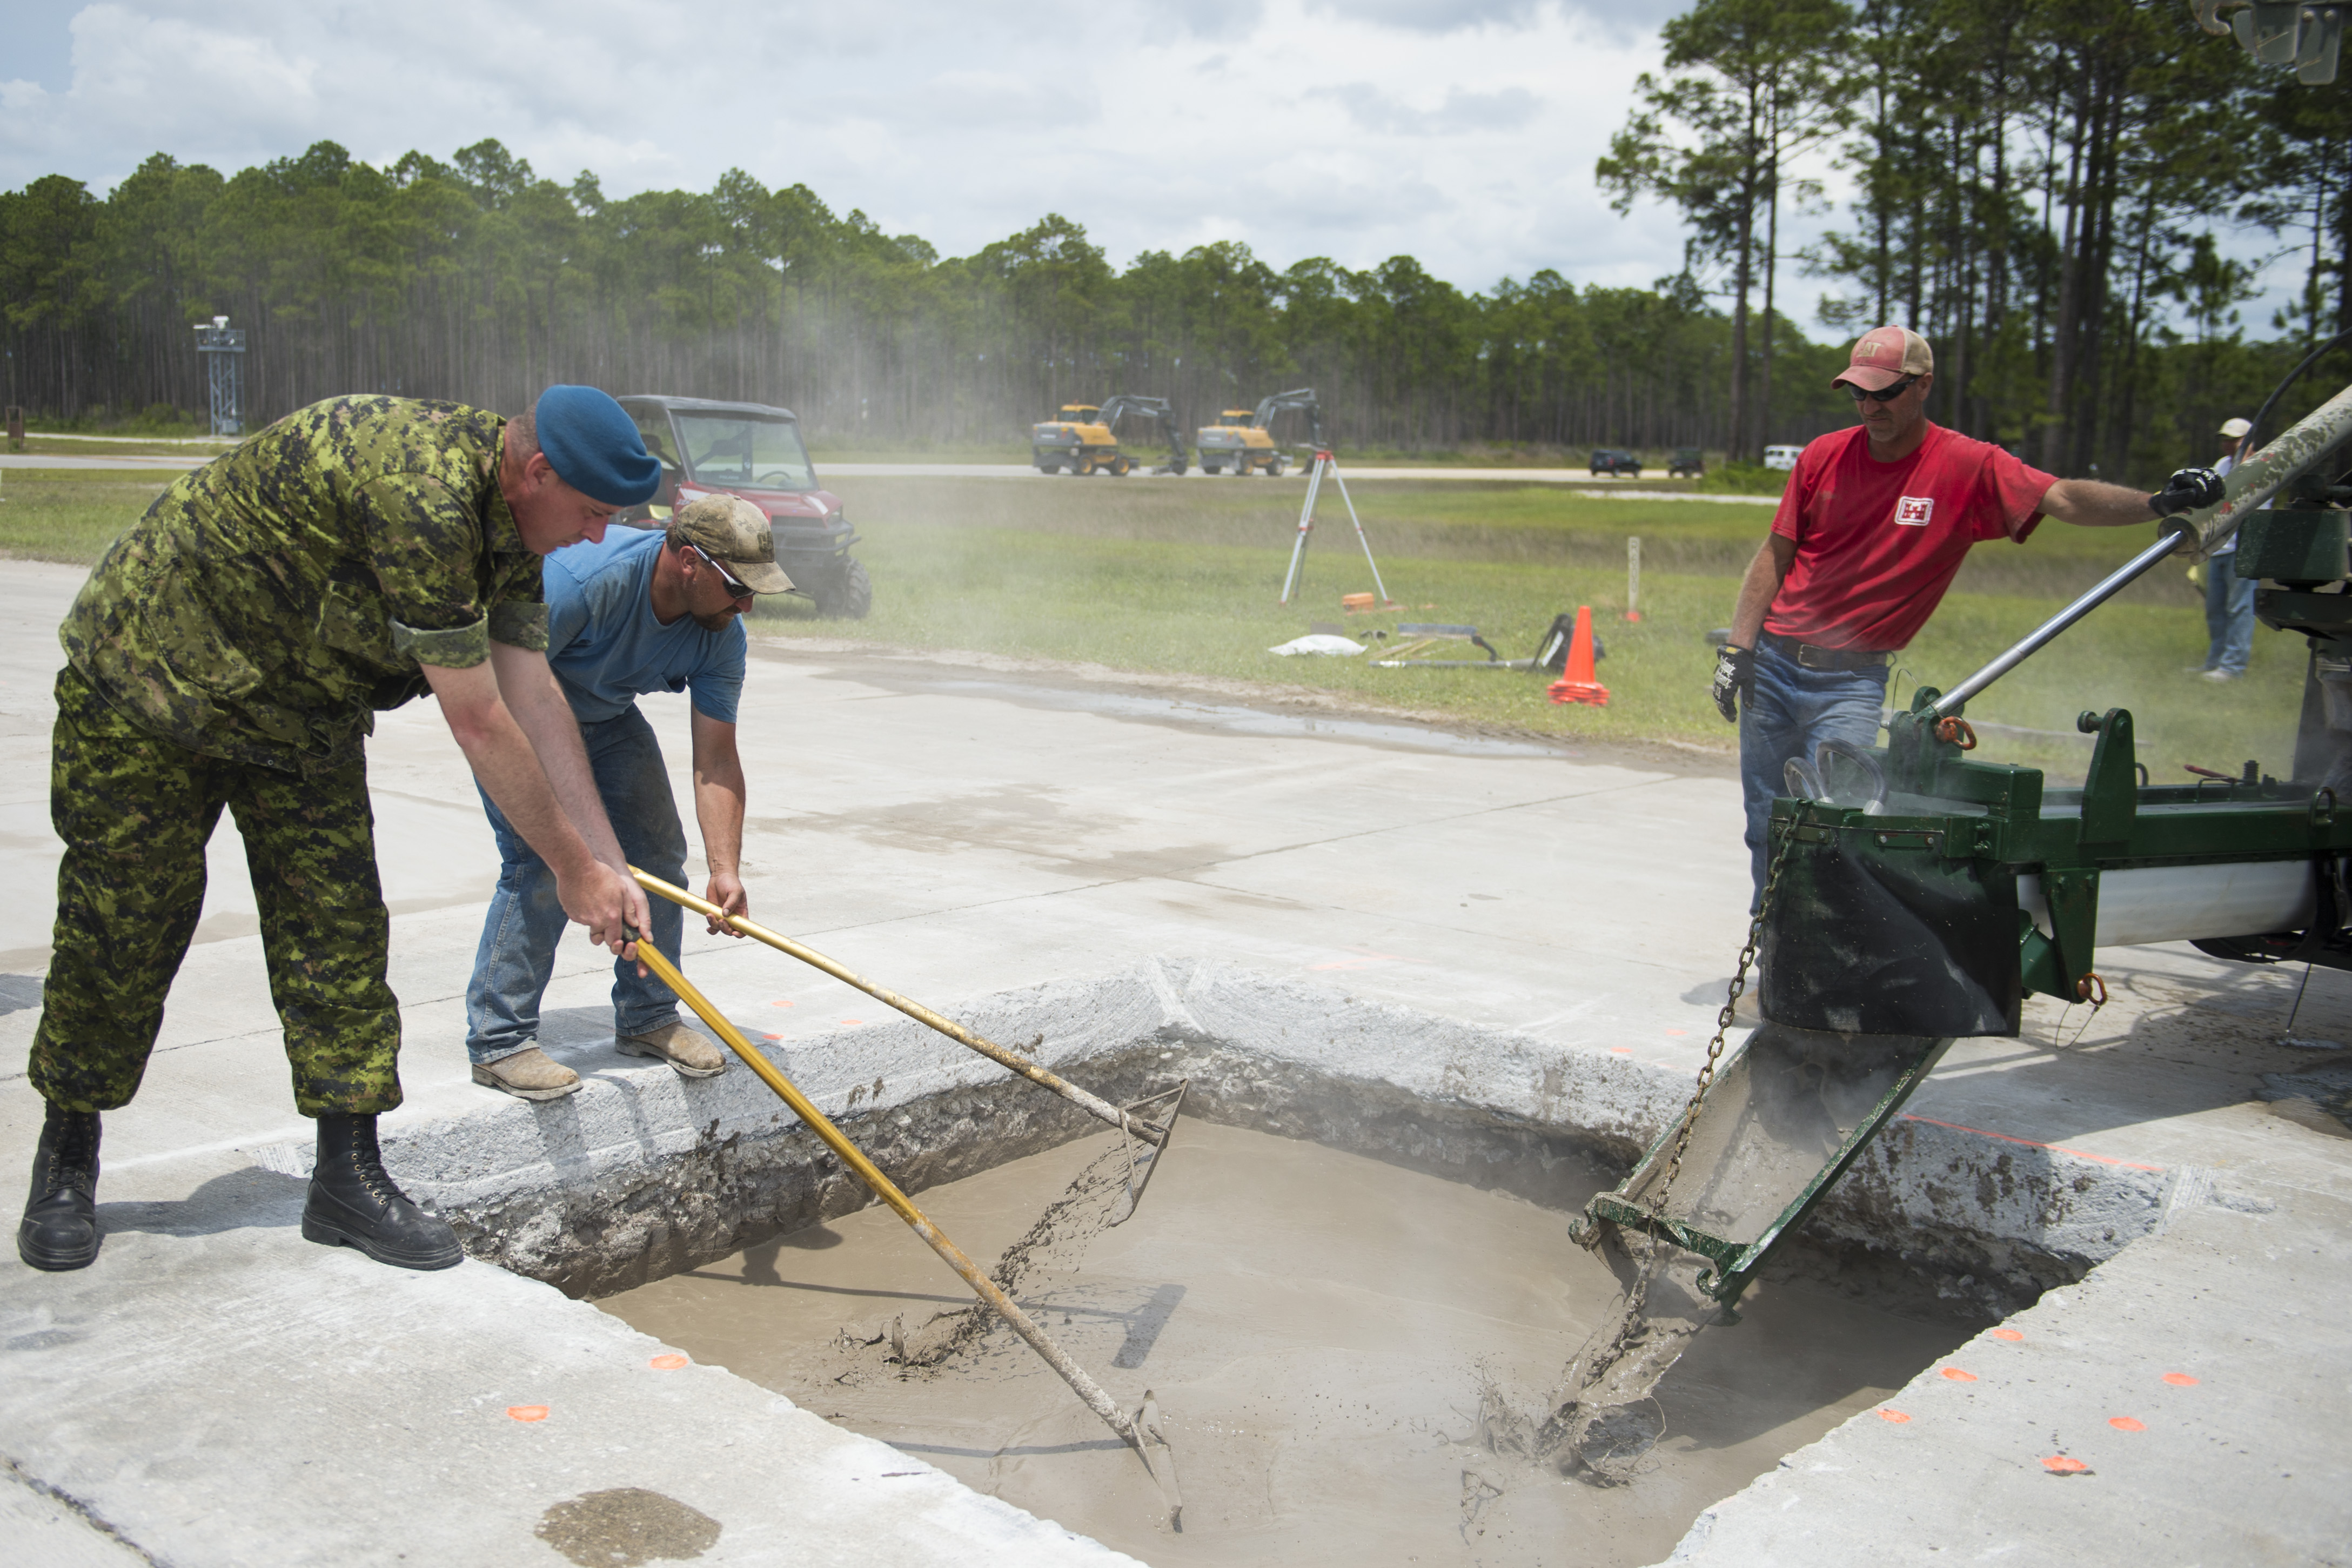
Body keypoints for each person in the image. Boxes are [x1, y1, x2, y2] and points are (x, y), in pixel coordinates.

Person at [18, 386, 663, 1275]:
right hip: (151, 689)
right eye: (592, 513)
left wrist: (603, 860)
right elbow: (477, 719)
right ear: (538, 470)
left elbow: (533, 690)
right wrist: (567, 869)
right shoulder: (421, 493)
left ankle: (345, 1177)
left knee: (339, 928)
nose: (599, 536)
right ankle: (66, 1154)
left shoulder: (516, 520)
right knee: (126, 923)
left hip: (298, 712)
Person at [1711, 325, 2226, 904]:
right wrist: (1738, 650)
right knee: (1765, 820)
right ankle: (1773, 948)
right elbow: (1776, 552)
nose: (1870, 406)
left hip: (1851, 683)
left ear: (1923, 385)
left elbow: (2063, 498)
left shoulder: (1967, 465)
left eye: (1886, 393)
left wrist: (2156, 503)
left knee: (1840, 823)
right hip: (1774, 668)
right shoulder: (1824, 455)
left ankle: (1829, 955)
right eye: (1859, 393)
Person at [467, 495, 793, 1100]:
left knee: (659, 854)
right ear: (689, 563)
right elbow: (499, 692)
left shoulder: (721, 634)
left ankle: (648, 1016)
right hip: (518, 718)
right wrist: (587, 855)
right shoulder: (580, 582)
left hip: (608, 718)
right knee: (540, 862)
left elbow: (717, 759)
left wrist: (726, 870)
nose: (746, 605)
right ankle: (500, 1040)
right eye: (737, 587)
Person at [2195, 416, 2257, 681]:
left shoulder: (2260, 465)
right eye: (2225, 440)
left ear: (2249, 441)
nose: (2228, 445)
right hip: (2219, 547)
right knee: (2216, 608)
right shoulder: (2222, 465)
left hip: (2244, 547)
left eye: (2234, 440)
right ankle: (2214, 662)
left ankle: (2233, 667)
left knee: (2240, 608)